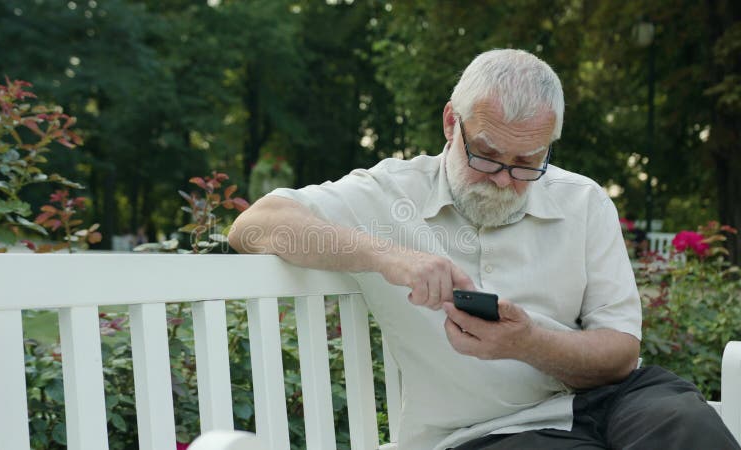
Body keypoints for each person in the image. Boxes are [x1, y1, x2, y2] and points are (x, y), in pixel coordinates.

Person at [228, 49, 739, 449]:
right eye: (488, 156)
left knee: (688, 427)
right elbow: (253, 226)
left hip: (619, 398)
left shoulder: (583, 202)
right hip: (491, 431)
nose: (503, 179)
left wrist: (526, 342)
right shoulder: (390, 193)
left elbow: (620, 356)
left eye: (526, 163)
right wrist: (389, 257)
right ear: (452, 124)